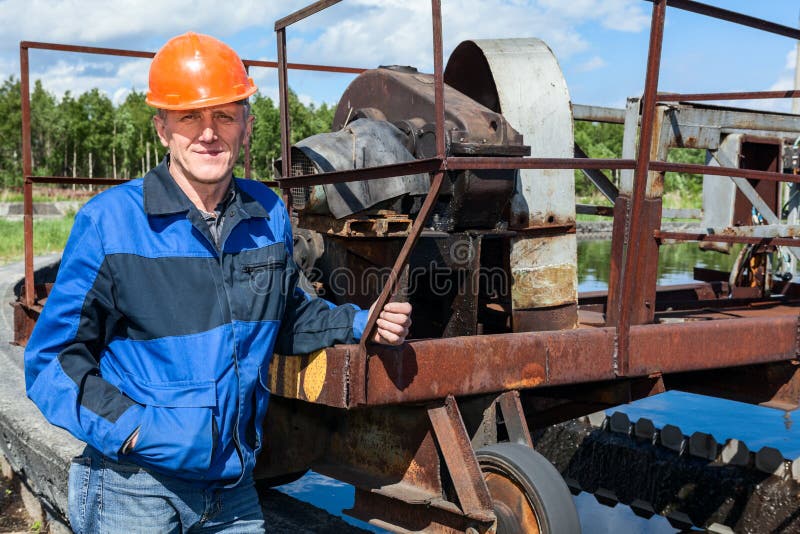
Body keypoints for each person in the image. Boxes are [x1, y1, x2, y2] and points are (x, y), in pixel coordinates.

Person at [24, 32, 412, 533]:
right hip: (134, 488)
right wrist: (135, 429)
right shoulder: (110, 223)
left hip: (232, 490)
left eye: (224, 115)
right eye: (190, 116)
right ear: (162, 127)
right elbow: (52, 359)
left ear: (246, 126)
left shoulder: (267, 213)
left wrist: (361, 321)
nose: (209, 133)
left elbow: (285, 314)